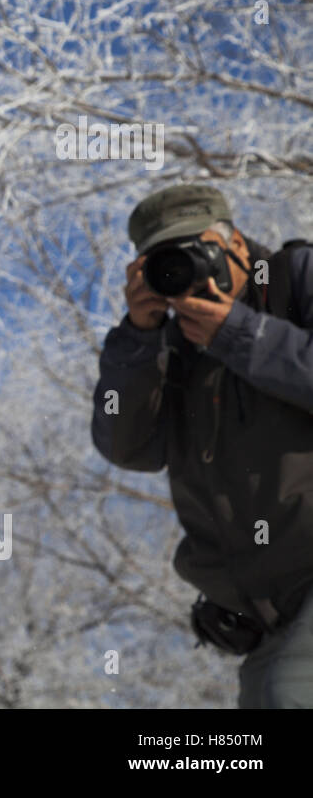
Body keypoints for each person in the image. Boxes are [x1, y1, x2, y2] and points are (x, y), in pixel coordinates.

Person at [91, 184, 313, 707]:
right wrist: (140, 338)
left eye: (198, 252)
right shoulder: (170, 346)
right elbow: (126, 447)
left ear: (236, 244)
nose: (187, 273)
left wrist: (240, 335)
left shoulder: (294, 278)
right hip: (264, 613)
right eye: (166, 262)